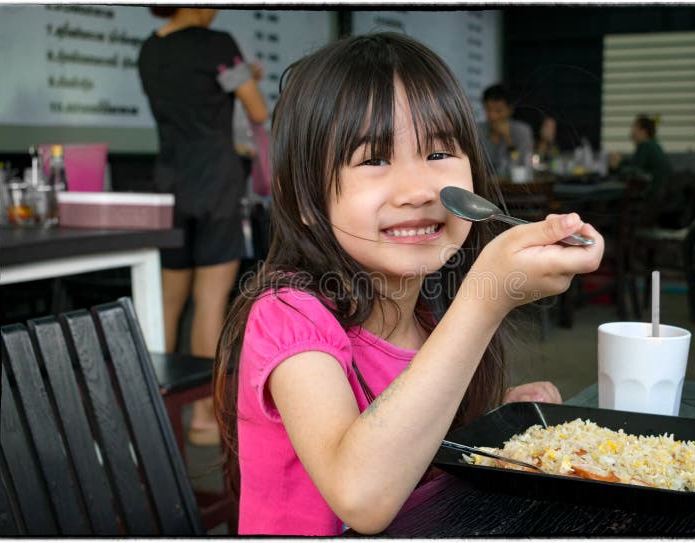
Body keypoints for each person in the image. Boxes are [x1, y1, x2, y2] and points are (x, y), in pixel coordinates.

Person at [212, 33, 604, 535]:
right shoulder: (288, 314)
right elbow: (361, 497)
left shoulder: (426, 312)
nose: (418, 191)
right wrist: (484, 301)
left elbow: (412, 445)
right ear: (306, 199)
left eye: (439, 152)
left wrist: (491, 418)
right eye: (373, 160)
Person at [138, 7, 269, 446]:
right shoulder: (218, 44)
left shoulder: (150, 50)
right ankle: (202, 419)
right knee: (210, 300)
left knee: (166, 301)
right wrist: (244, 78)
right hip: (215, 181)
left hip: (169, 180)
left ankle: (151, 414)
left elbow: (188, 95)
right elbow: (256, 108)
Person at [608, 115, 673, 203]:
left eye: (634, 127)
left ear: (643, 131)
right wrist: (622, 162)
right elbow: (636, 165)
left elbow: (635, 174)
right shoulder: (653, 145)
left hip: (654, 197)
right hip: (662, 195)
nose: (632, 132)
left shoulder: (645, 146)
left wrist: (618, 165)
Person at [478, 84, 534, 176]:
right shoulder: (477, 131)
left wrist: (509, 140)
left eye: (498, 111)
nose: (492, 116)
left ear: (510, 110)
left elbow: (521, 166)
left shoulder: (522, 132)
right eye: (488, 109)